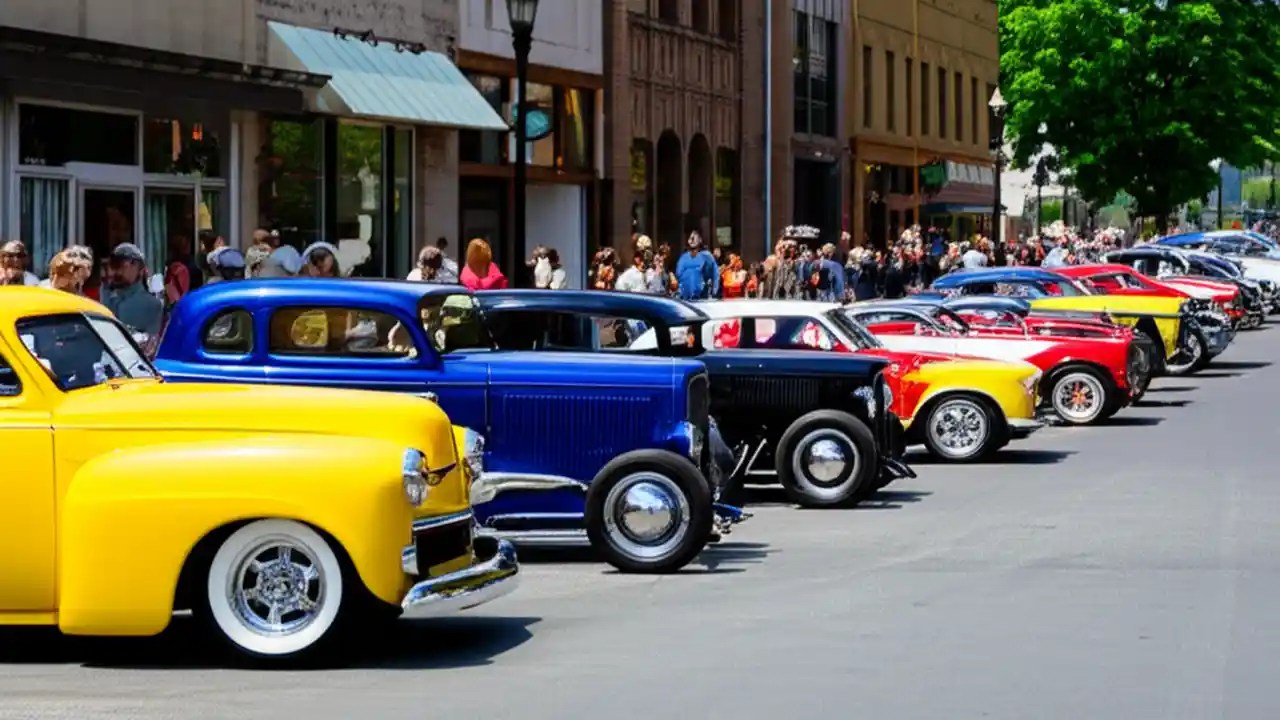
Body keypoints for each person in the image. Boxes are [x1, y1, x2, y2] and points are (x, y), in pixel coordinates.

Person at [103, 243, 164, 339]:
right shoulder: (104, 297)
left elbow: (151, 346)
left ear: (137, 267)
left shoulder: (151, 305)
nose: (115, 271)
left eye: (120, 265)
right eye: (113, 265)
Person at [675, 232, 719, 300]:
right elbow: (678, 274)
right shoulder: (683, 258)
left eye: (695, 248)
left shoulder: (707, 256)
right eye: (692, 249)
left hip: (702, 297)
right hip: (685, 298)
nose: (693, 251)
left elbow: (715, 274)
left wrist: (714, 292)